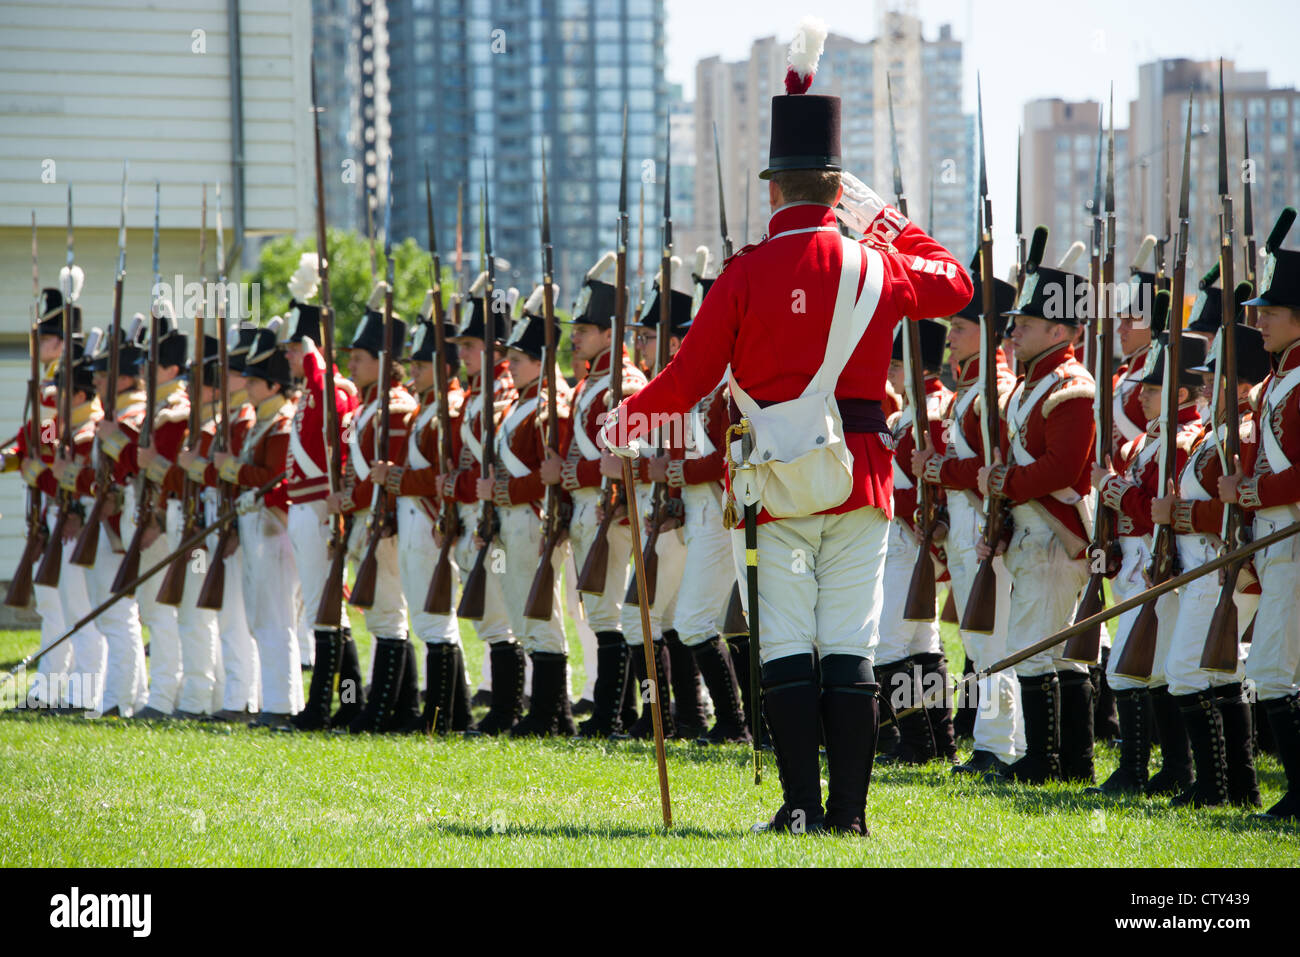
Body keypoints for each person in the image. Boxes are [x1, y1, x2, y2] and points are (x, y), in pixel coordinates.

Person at [604, 17, 972, 835]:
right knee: (851, 645)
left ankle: (799, 805)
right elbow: (956, 283)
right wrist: (892, 227)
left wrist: (621, 421)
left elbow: (687, 382)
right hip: (865, 471)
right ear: (839, 188)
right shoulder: (878, 266)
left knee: (786, 648)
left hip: (772, 482)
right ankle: (850, 813)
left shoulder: (739, 275)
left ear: (773, 186)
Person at [976, 252, 1096, 785]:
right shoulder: (1028, 387)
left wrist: (1002, 483)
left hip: (1055, 533)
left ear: (1056, 328)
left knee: (1035, 650)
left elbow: (1062, 469)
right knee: (1053, 651)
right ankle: (1068, 763)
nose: (1012, 331)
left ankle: (1046, 762)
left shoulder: (1071, 385)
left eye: (1023, 324)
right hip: (1028, 530)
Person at [1150, 324, 1269, 807]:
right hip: (1202, 568)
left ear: (1241, 384)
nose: (1204, 386)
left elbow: (1239, 509)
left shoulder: (1241, 433)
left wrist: (1178, 514)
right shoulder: (1218, 431)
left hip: (1222, 569)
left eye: (1215, 377)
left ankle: (1218, 785)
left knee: (1184, 672)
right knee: (1215, 675)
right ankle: (1233, 787)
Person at [1088, 318, 1205, 795]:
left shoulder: (1180, 443)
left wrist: (1111, 488)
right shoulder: (1148, 441)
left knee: (1129, 668)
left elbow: (1158, 512)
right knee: (1150, 670)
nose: (1141, 397)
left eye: (1152, 391)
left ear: (1178, 396)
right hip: (1134, 564)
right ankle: (1171, 769)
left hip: (1159, 565)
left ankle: (1137, 770)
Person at [912, 268, 1022, 774]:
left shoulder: (994, 389)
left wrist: (937, 468)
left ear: (986, 328)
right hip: (962, 525)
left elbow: (995, 469)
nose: (950, 336)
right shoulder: (972, 387)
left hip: (983, 527)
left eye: (960, 326)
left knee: (992, 640)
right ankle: (995, 742)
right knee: (979, 641)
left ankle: (1000, 747)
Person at [539, 253, 645, 738]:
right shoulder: (591, 383)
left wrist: (572, 471)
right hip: (585, 507)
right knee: (601, 611)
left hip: (612, 511)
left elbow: (633, 453)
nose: (574, 335)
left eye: (585, 328)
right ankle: (611, 714)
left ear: (609, 333)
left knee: (610, 614)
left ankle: (612, 716)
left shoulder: (625, 383)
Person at [1219, 211, 1300, 822]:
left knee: (1273, 666)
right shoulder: (1277, 382)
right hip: (1274, 539)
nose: (1258, 320)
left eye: (1269, 312)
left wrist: (1248, 493)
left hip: (1292, 536)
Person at [371, 306, 472, 734]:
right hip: (414, 522)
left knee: (435, 620)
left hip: (431, 522)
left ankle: (441, 718)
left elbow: (440, 477)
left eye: (419, 363)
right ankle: (454, 714)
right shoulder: (425, 408)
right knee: (427, 618)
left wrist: (395, 477)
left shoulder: (447, 411)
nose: (411, 369)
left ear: (443, 367)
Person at [481, 291, 577, 736]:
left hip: (531, 519)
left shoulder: (547, 407)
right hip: (511, 521)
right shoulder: (522, 403)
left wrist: (502, 489)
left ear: (541, 361)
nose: (511, 364)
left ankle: (548, 715)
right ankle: (550, 713)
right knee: (525, 617)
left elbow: (547, 476)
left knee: (540, 618)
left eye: (520, 358)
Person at [327, 289, 417, 733]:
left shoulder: (396, 408)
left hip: (387, 525)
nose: (353, 365)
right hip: (368, 521)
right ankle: (397, 709)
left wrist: (356, 499)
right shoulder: (368, 409)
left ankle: (382, 711)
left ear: (383, 361)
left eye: (360, 357)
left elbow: (393, 476)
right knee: (384, 615)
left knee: (388, 614)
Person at [97, 305, 191, 720]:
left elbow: (156, 468)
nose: (145, 369)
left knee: (163, 613)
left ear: (170, 368)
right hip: (149, 515)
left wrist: (116, 442)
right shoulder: (157, 408)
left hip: (163, 519)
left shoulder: (175, 412)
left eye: (153, 362)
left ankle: (166, 696)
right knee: (155, 612)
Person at [282, 282, 363, 730]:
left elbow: (335, 427)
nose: (289, 357)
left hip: (319, 509)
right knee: (328, 611)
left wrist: (313, 354)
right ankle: (348, 703)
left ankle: (325, 707)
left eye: (295, 348)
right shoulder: (310, 389)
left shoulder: (331, 385)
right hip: (303, 505)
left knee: (325, 611)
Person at [615, 276, 693, 741]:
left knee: (648, 618)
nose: (639, 345)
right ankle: (673, 716)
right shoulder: (660, 386)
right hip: (658, 514)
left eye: (647, 336)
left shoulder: (683, 387)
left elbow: (688, 456)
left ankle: (669, 716)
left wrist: (672, 488)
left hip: (677, 519)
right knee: (664, 620)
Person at [876, 317, 955, 765]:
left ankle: (917, 744)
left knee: (888, 642)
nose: (889, 369)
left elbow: (936, 484)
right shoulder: (906, 411)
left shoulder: (935, 411)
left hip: (913, 539)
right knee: (922, 642)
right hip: (901, 538)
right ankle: (939, 742)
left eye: (896, 362)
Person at [213, 322, 300, 727]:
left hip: (273, 528)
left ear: (271, 384)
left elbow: (274, 479)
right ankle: (274, 701)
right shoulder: (263, 421)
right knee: (260, 619)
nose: (245, 386)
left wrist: (230, 469)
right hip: (255, 527)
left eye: (252, 380)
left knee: (274, 619)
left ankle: (280, 705)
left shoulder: (282, 423)